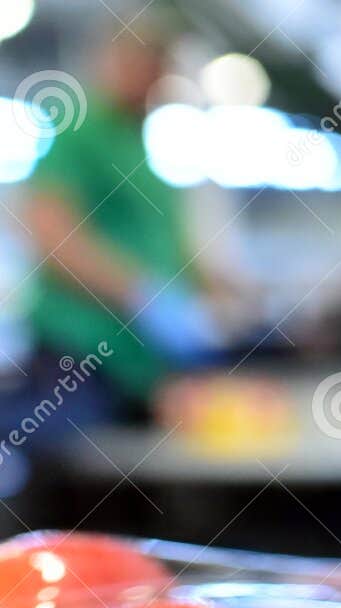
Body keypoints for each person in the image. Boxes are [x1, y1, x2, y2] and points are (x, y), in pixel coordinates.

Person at [20, 19, 223, 434]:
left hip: (143, 366)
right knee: (71, 476)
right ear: (115, 59)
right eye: (148, 63)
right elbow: (51, 235)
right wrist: (140, 292)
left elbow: (169, 247)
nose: (157, 77)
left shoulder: (139, 141)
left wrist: (228, 295)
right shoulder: (79, 129)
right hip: (79, 358)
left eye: (163, 66)